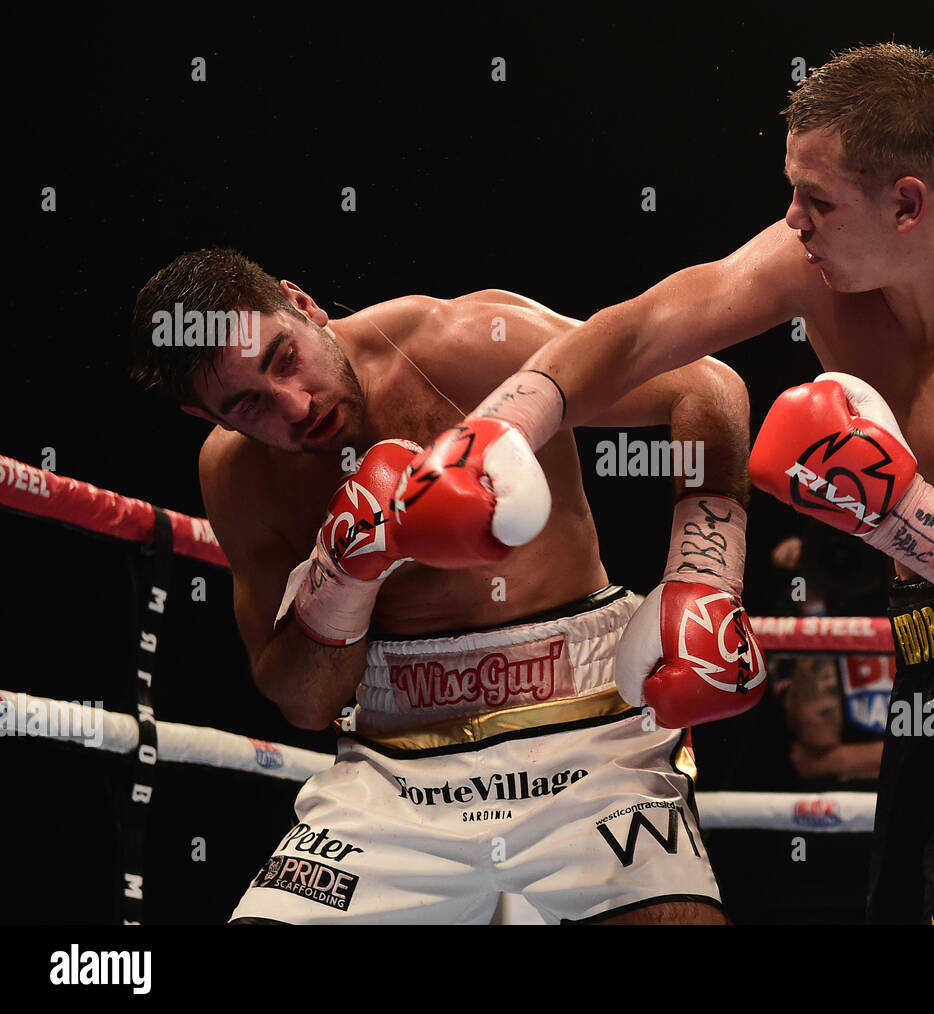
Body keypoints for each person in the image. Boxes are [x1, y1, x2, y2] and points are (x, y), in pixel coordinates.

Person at [416, 43, 934, 924]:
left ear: (908, 203)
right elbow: (647, 328)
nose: (793, 221)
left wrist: (900, 513)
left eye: (819, 201)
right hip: (923, 663)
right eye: (794, 191)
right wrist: (498, 427)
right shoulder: (819, 267)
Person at [129, 248, 765, 924]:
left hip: (589, 730)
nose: (294, 403)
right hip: (393, 769)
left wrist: (706, 577)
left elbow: (703, 384)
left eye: (285, 358)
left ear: (303, 305)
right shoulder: (235, 475)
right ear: (210, 419)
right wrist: (343, 571)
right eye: (248, 404)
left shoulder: (464, 343)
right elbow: (305, 704)